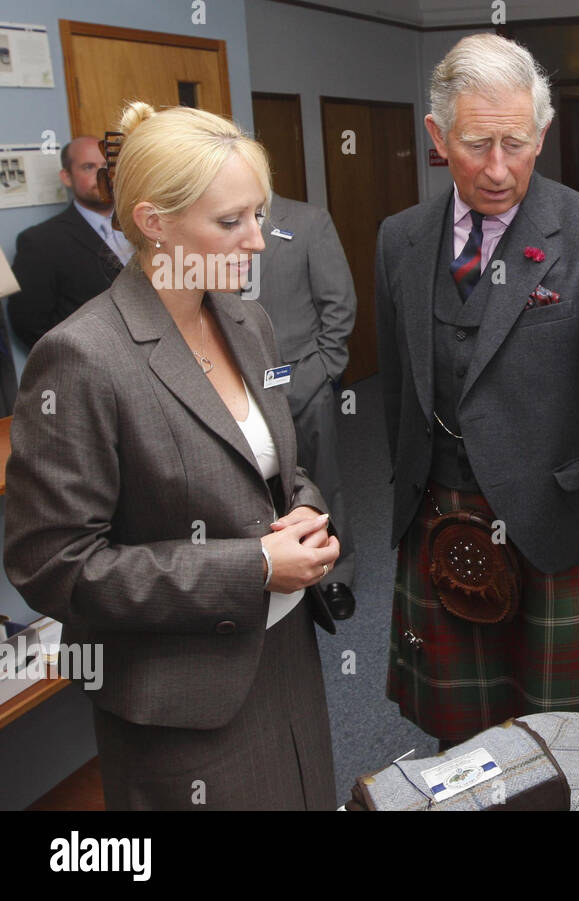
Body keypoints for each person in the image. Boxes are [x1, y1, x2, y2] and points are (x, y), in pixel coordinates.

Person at [3, 104, 341, 810]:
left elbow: (278, 464)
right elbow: (53, 565)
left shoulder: (250, 321)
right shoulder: (84, 357)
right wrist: (252, 566)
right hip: (185, 698)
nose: (258, 241)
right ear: (155, 224)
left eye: (259, 214)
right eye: (231, 222)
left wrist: (304, 512)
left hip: (284, 655)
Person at [378, 34, 579, 743]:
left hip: (558, 522)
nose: (500, 169)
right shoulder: (399, 236)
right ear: (437, 136)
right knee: (461, 732)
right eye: (478, 144)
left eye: (518, 143)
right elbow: (398, 383)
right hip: (437, 515)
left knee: (573, 741)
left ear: (541, 132)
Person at [252, 192, 358, 620]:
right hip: (233, 383)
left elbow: (339, 304)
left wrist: (322, 372)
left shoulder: (309, 221)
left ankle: (335, 575)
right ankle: (270, 573)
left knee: (321, 480)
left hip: (302, 379)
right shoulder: (207, 221)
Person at [9, 136, 133, 348]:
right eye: (88, 167)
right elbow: (29, 323)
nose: (102, 175)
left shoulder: (145, 225)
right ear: (67, 177)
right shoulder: (41, 242)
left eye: (107, 165)